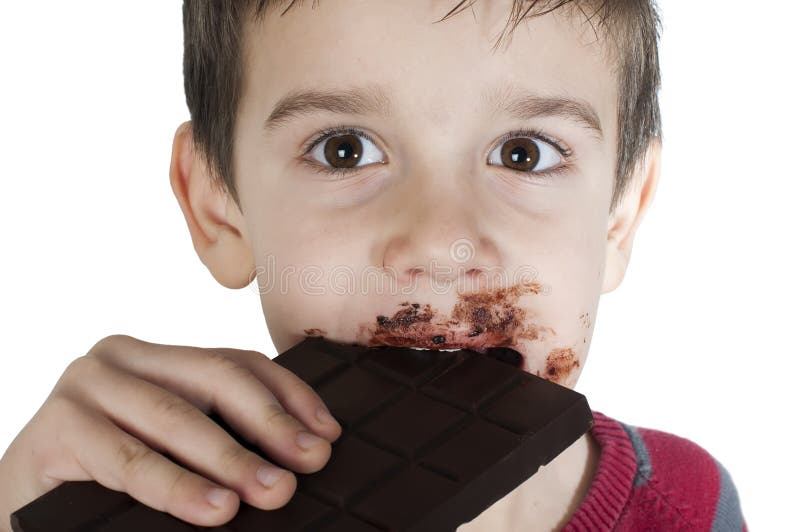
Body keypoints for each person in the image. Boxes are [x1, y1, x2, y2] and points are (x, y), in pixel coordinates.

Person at [0, 1, 748, 530]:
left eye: (524, 153)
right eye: (344, 149)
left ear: (619, 216)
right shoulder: (154, 508)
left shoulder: (691, 506)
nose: (438, 242)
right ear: (219, 206)